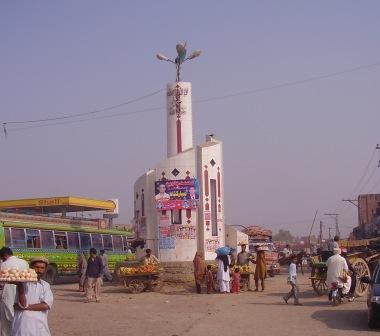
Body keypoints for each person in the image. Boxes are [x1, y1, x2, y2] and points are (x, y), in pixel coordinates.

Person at [12, 257, 53, 336]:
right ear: (31, 268)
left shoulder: (45, 285)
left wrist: (25, 307)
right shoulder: (23, 283)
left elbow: (46, 305)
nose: (39, 270)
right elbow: (21, 304)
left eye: (42, 268)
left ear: (45, 270)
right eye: (36, 267)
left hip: (40, 323)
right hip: (23, 323)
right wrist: (20, 287)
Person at [0, 247, 29, 336]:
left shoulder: (4, 264)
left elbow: (1, 282)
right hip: (24, 293)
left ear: (4, 256)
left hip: (8, 293)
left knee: (6, 322)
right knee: (20, 318)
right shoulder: (24, 262)